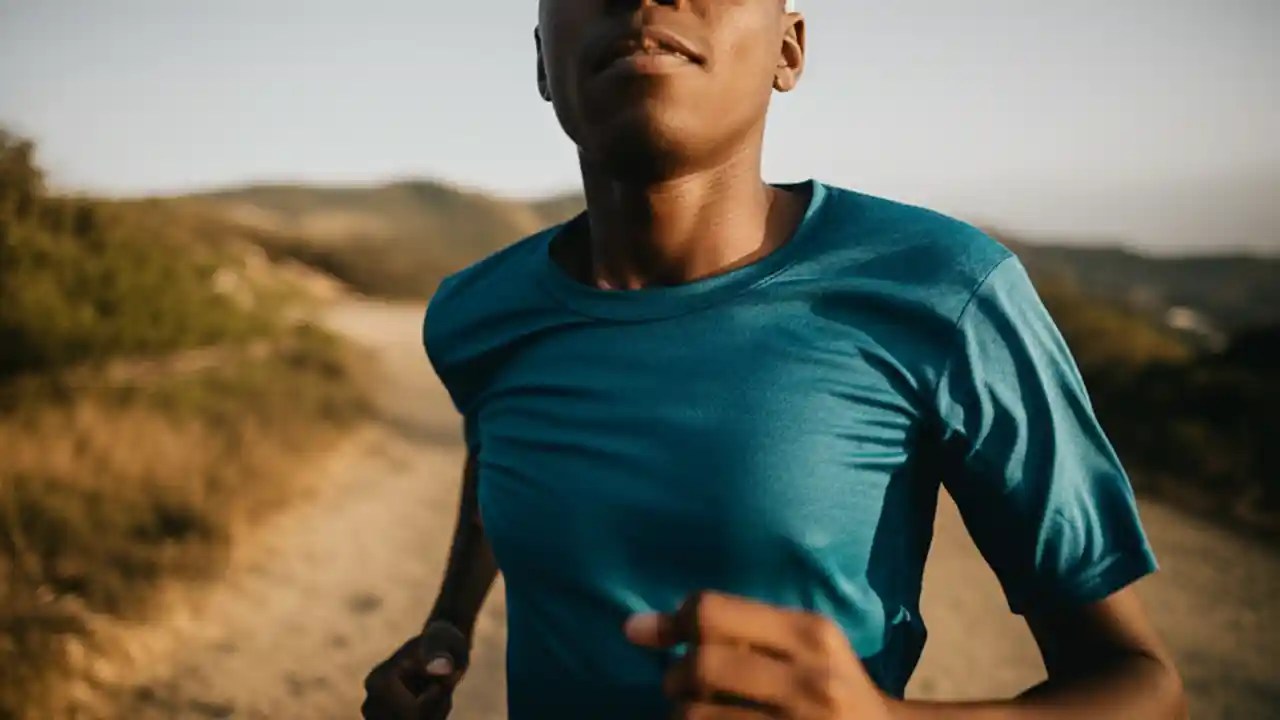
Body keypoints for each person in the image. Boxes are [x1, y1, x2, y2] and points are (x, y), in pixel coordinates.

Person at [362, 1, 1187, 718]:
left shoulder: (944, 288)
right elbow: (498, 448)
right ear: (544, 60)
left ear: (787, 52)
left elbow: (1144, 687)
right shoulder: (479, 313)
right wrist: (449, 622)